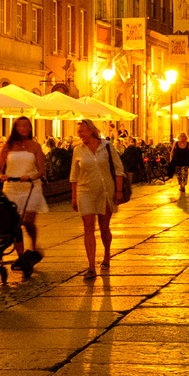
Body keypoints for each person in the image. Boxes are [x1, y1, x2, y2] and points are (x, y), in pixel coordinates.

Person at [70, 120, 124, 279]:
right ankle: (91, 266)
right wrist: (74, 197)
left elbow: (119, 169)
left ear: (92, 131)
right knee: (88, 227)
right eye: (79, 132)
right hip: (85, 191)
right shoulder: (77, 150)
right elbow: (74, 175)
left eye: (83, 131)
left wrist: (119, 191)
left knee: (104, 227)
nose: (80, 134)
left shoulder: (107, 146)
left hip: (106, 191)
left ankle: (107, 254)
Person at [0, 116, 48, 254]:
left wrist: (31, 177)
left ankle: (34, 245)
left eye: (26, 126)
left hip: (31, 187)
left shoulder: (35, 146)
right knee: (15, 224)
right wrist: (0, 175)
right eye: (21, 126)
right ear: (15, 128)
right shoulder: (8, 146)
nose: (24, 128)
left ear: (30, 128)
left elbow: (42, 169)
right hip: (12, 187)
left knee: (27, 221)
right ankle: (21, 256)